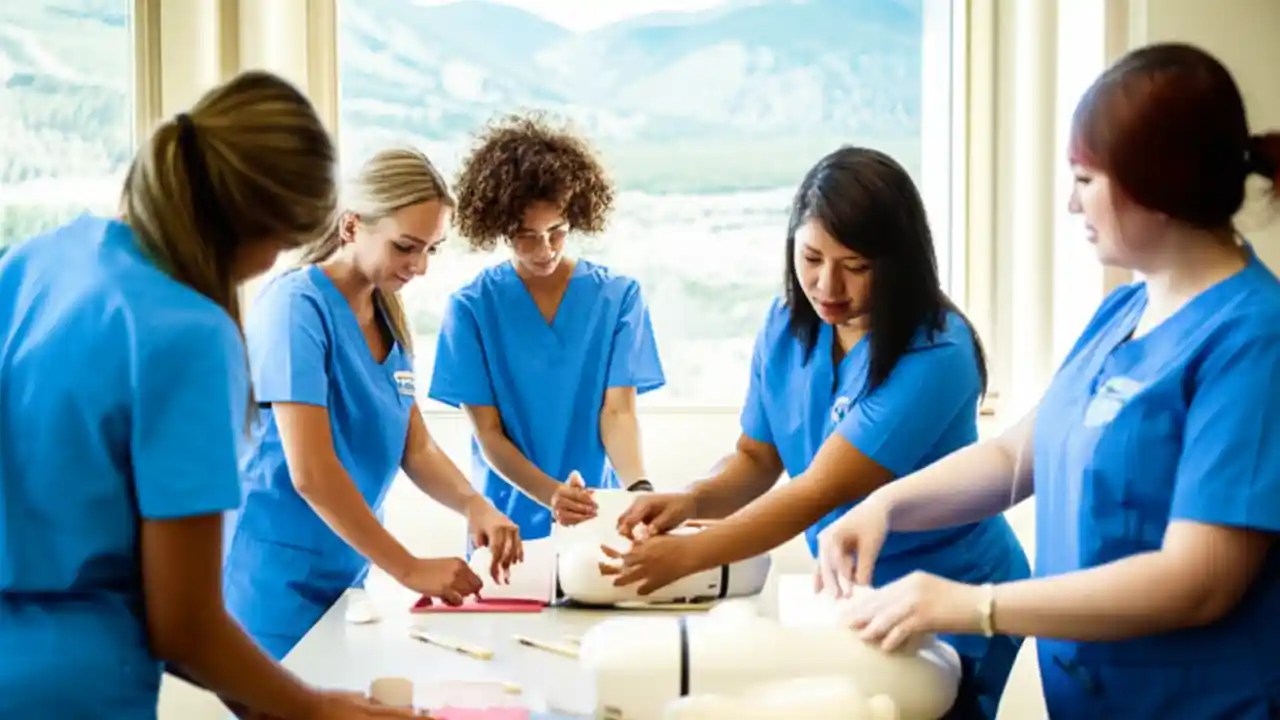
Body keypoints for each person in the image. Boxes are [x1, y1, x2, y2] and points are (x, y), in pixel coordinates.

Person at [815, 43, 1280, 719]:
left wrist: (975, 606)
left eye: (1085, 180)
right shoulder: (1128, 307)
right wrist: (884, 507)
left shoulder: (1253, 340)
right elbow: (1018, 454)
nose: (1070, 203)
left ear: (1158, 183)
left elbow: (1198, 580)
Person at [0, 71, 423, 718]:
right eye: (282, 241)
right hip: (71, 688)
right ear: (258, 226)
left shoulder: (41, 259)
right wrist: (315, 710)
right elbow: (186, 626)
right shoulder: (187, 334)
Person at [607, 146, 1031, 719]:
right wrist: (691, 500)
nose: (827, 284)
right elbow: (756, 459)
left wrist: (687, 557)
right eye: (811, 258)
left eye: (855, 266)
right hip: (856, 595)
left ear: (898, 261)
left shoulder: (937, 352)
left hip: (954, 595)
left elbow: (817, 492)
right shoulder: (786, 327)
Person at [221, 146, 524, 660]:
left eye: (432, 249)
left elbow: (417, 449)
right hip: (270, 580)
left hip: (343, 576)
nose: (420, 266)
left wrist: (477, 506)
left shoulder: (387, 315)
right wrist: (409, 567)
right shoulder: (297, 308)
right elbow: (311, 473)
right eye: (407, 247)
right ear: (351, 226)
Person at [428, 112, 665, 541]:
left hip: (596, 517)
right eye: (526, 235)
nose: (545, 250)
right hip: (504, 524)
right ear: (498, 227)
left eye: (557, 231)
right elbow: (489, 432)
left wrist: (638, 490)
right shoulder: (471, 309)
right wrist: (551, 494)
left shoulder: (618, 298)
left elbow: (618, 412)